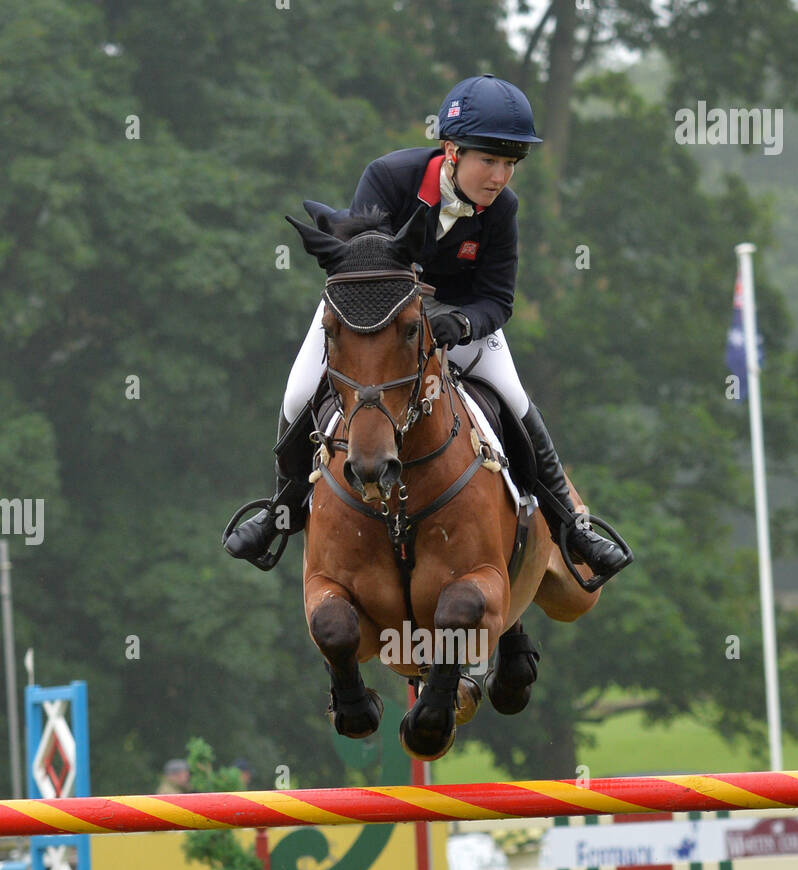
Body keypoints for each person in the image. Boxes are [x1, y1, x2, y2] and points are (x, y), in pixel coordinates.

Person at [224, 74, 627, 580]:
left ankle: (570, 524)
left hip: (457, 329)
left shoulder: (503, 209)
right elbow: (359, 260)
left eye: (509, 164)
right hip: (369, 317)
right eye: (490, 160)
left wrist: (459, 321)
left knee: (517, 402)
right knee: (299, 391)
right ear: (452, 149)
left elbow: (498, 300)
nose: (500, 177)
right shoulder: (389, 176)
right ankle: (281, 512)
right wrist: (404, 308)